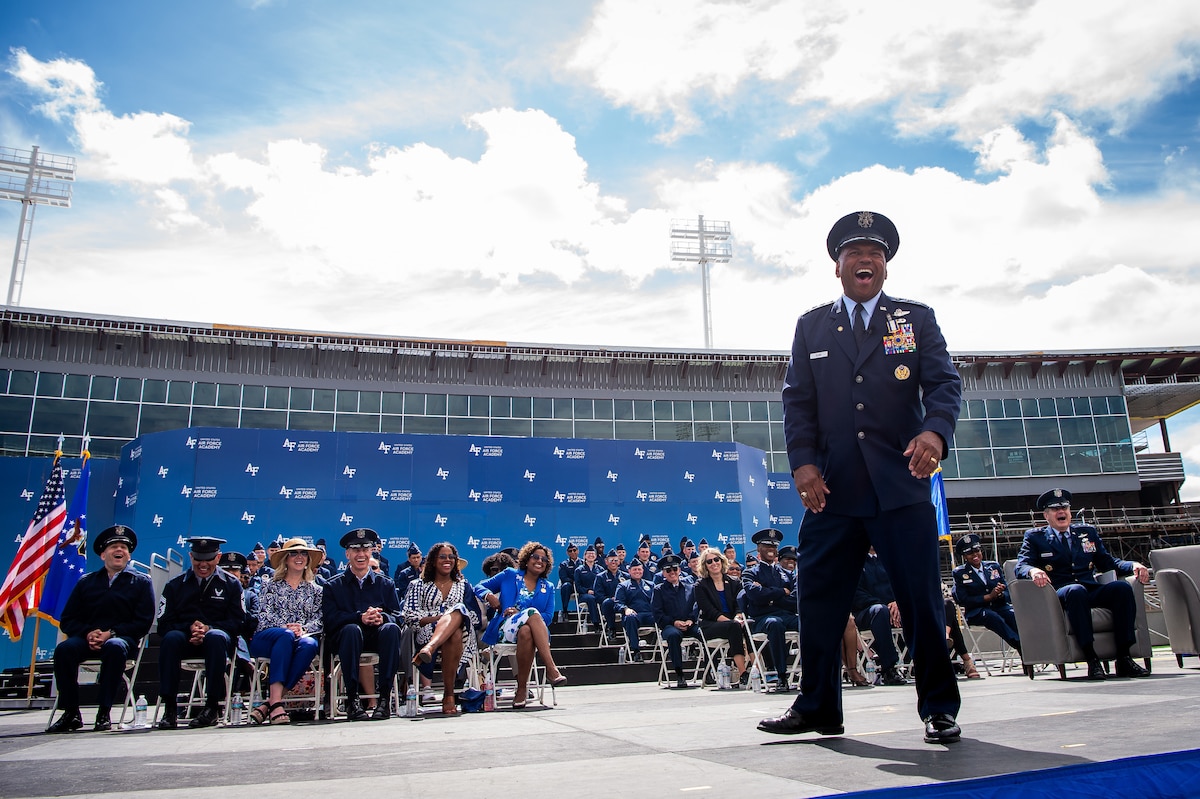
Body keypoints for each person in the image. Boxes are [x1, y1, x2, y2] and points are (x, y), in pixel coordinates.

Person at [762, 210, 963, 744]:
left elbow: (944, 383)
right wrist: (803, 463)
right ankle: (819, 708)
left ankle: (939, 707)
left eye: (876, 254)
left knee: (921, 600)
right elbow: (797, 402)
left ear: (886, 267)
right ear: (838, 266)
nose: (865, 261)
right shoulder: (812, 325)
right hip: (833, 489)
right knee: (819, 602)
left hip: (901, 484)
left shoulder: (913, 319)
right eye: (855, 254)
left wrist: (936, 434)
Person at [1015, 488, 1150, 680]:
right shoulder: (1035, 537)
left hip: (1090, 588)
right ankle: (1091, 659)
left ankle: (1124, 657)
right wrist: (1034, 570)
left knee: (1121, 588)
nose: (1061, 512)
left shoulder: (1086, 532)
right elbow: (1021, 565)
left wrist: (1133, 565)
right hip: (1061, 593)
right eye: (1055, 509)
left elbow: (1108, 563)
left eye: (1064, 508)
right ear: (1046, 515)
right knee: (1075, 591)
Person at [48, 525, 155, 733]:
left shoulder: (141, 582)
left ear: (129, 554)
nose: (120, 551)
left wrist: (111, 633)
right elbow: (68, 620)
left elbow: (143, 622)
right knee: (65, 650)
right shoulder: (86, 582)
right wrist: (89, 632)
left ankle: (104, 712)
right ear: (102, 554)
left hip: (121, 640)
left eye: (124, 547)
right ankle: (70, 712)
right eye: (114, 546)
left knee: (114, 647)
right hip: (88, 639)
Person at [156, 536, 246, 729]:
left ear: (218, 557)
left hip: (217, 642)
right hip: (184, 639)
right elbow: (163, 623)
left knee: (216, 637)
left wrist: (209, 628)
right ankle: (170, 707)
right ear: (191, 556)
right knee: (170, 639)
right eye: (198, 559)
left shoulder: (231, 584)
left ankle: (212, 707)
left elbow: (239, 622)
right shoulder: (175, 585)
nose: (203, 564)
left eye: (209, 559)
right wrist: (189, 628)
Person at [322, 528, 403, 720]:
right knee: (351, 630)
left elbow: (398, 616)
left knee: (391, 629)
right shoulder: (333, 585)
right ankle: (352, 700)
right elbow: (329, 620)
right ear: (347, 554)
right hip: (347, 641)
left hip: (377, 637)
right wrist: (359, 617)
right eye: (356, 550)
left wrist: (383, 618)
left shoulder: (386, 584)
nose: (361, 554)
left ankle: (384, 700)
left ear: (372, 552)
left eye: (365, 549)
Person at [475, 542, 567, 708]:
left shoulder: (549, 587)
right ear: (526, 558)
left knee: (526, 629)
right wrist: (490, 596)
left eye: (544, 559)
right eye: (536, 557)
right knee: (531, 613)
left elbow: (547, 617)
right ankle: (552, 669)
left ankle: (522, 689)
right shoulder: (509, 575)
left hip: (530, 633)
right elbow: (478, 586)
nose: (540, 561)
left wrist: (522, 616)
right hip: (505, 628)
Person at [247, 537, 323, 726]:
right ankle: (276, 703)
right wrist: (287, 627)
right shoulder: (269, 585)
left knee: (310, 644)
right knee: (285, 635)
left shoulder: (316, 590)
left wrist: (303, 629)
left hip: (300, 638)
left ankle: (272, 703)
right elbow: (263, 615)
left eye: (303, 553)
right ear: (285, 559)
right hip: (268, 638)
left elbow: (321, 619)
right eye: (294, 553)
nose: (299, 557)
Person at [405, 542, 482, 716]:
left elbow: (474, 617)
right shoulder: (418, 585)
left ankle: (430, 650)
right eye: (442, 557)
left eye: (451, 557)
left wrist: (454, 616)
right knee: (452, 630)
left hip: (461, 634)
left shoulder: (463, 585)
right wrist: (438, 619)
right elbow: (409, 616)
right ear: (432, 561)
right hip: (426, 632)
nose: (448, 560)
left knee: (459, 612)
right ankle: (448, 696)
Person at [741, 528, 799, 688]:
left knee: (808, 622)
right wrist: (781, 592)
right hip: (762, 618)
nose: (771, 550)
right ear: (759, 548)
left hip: (786, 614)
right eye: (767, 546)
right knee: (775, 624)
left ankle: (815, 672)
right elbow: (754, 595)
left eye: (774, 547)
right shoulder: (750, 573)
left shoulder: (787, 574)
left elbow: (795, 599)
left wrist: (770, 597)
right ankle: (781, 675)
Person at [951, 533, 1021, 655]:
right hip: (977, 612)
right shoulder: (960, 573)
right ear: (965, 556)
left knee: (1013, 616)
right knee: (992, 617)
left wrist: (1000, 594)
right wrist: (988, 597)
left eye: (977, 550)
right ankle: (1020, 646)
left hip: (999, 606)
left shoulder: (993, 566)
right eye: (970, 553)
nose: (975, 555)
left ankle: (1026, 646)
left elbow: (1008, 592)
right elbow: (962, 599)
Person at [851, 549, 908, 686]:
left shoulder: (891, 560)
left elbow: (903, 584)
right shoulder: (854, 561)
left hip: (894, 609)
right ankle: (889, 669)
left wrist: (897, 602)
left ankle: (927, 662)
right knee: (880, 611)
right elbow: (856, 593)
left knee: (919, 609)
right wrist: (885, 605)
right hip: (866, 611)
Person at [694, 548, 750, 688]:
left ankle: (757, 670)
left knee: (749, 625)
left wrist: (738, 617)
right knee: (734, 627)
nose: (714, 563)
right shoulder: (700, 585)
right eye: (709, 561)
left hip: (733, 623)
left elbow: (740, 604)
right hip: (711, 625)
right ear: (705, 565)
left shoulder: (734, 582)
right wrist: (732, 621)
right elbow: (709, 611)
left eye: (716, 559)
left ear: (722, 560)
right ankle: (743, 673)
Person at [652, 554, 702, 688]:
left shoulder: (690, 587)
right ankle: (679, 673)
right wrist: (674, 622)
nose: (672, 572)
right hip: (670, 626)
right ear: (663, 573)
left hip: (689, 624)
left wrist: (691, 620)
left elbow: (696, 607)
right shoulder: (659, 590)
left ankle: (709, 671)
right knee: (673, 635)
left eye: (675, 569)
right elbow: (657, 613)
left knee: (703, 632)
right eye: (668, 570)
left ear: (679, 570)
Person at [614, 560, 655, 662]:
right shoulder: (623, 586)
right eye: (635, 569)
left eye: (639, 569)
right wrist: (626, 609)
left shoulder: (650, 585)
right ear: (629, 571)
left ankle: (667, 649)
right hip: (634, 615)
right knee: (630, 618)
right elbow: (618, 603)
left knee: (664, 617)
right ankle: (636, 651)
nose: (637, 571)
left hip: (649, 614)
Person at [594, 550, 626, 635]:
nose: (613, 563)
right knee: (608, 602)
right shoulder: (600, 577)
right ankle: (612, 629)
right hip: (609, 605)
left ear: (619, 562)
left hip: (623, 604)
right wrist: (610, 599)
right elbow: (598, 595)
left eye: (616, 560)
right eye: (611, 560)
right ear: (606, 562)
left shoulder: (626, 576)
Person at [574, 546, 604, 629]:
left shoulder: (600, 569)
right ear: (585, 555)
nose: (591, 555)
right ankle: (596, 624)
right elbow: (578, 586)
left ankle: (608, 624)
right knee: (591, 598)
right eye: (589, 553)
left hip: (597, 594)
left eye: (593, 553)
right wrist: (587, 591)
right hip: (584, 595)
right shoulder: (579, 570)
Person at [558, 543, 581, 620]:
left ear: (578, 551)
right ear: (567, 553)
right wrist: (573, 581)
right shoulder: (564, 564)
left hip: (581, 586)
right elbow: (563, 577)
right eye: (570, 551)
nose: (573, 552)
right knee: (565, 586)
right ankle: (565, 611)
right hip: (571, 586)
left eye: (574, 550)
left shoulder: (583, 563)